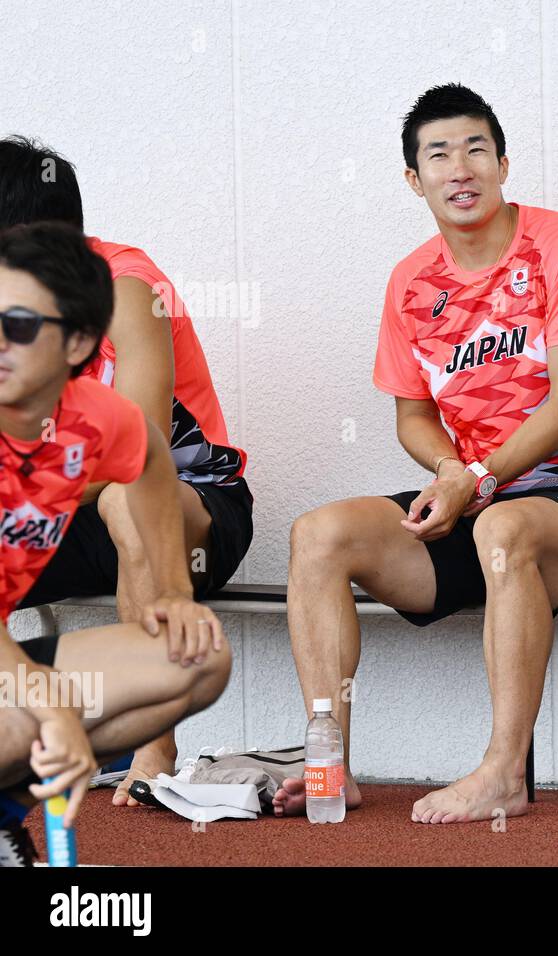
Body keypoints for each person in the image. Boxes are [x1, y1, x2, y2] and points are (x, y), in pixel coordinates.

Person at [272, 83, 558, 824]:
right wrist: (448, 471)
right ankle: (328, 762)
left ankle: (504, 772)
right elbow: (412, 416)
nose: (460, 167)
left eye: (475, 149)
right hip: (477, 502)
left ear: (502, 163)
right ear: (415, 179)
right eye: (438, 154)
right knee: (319, 535)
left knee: (505, 528)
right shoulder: (411, 282)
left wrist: (476, 478)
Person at [0, 136, 253, 807]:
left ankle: (153, 752)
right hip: (69, 517)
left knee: (118, 497)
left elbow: (138, 458)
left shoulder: (127, 290)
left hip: (192, 504)